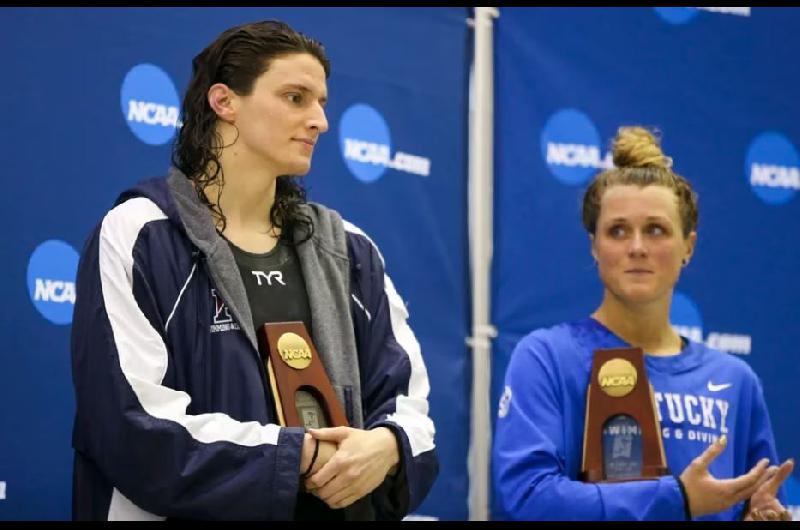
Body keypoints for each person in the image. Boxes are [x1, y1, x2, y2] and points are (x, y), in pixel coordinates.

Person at [70, 19, 438, 521]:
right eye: (295, 97)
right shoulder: (141, 234)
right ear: (224, 102)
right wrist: (299, 456)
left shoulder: (349, 249)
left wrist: (386, 446)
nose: (320, 121)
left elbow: (406, 405)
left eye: (322, 103)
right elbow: (133, 423)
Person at [492, 126, 794, 521]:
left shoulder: (736, 381)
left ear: (688, 246)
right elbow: (527, 499)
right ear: (594, 246)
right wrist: (677, 499)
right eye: (617, 231)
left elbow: (758, 501)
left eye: (656, 229)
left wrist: (762, 516)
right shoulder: (547, 357)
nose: (637, 247)